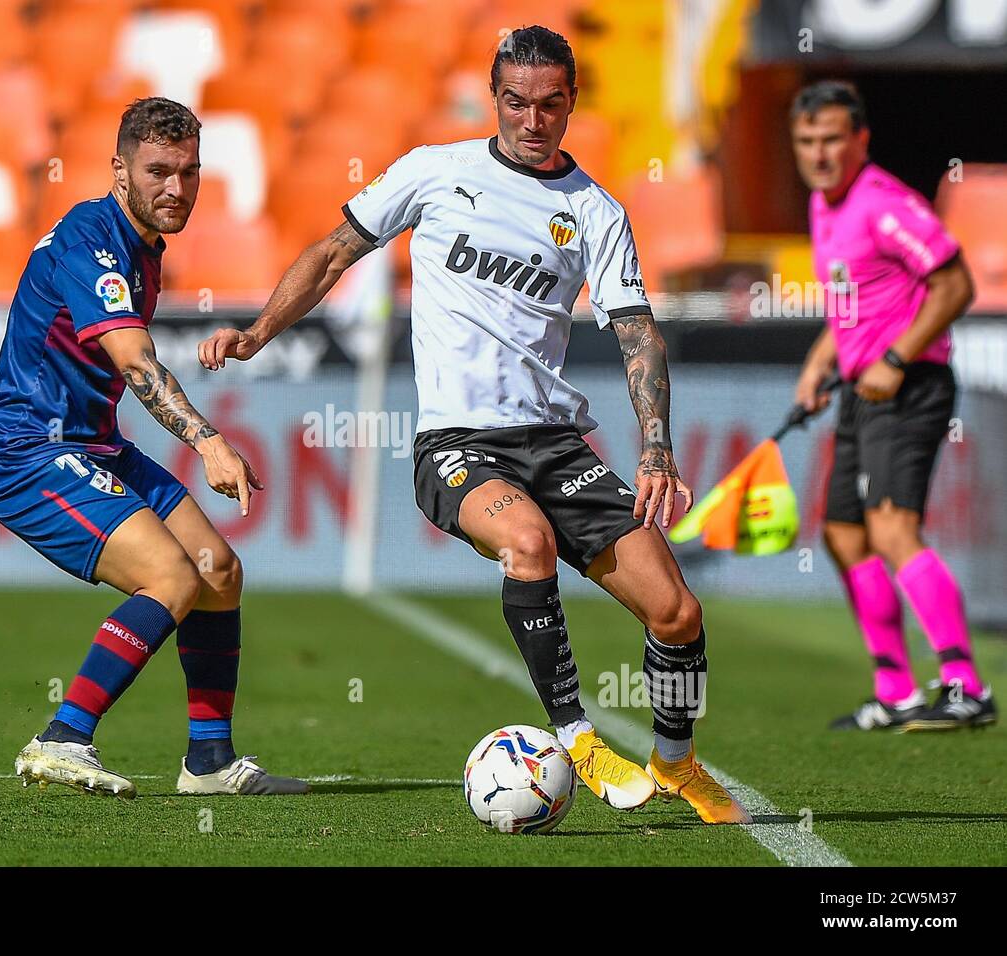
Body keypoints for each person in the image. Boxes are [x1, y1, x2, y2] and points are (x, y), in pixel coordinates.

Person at [198, 26, 751, 823]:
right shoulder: (434, 172)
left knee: (678, 613)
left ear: (571, 104)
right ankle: (578, 737)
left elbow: (635, 331)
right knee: (526, 546)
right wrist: (256, 333)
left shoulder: (594, 210)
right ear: (494, 98)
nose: (534, 121)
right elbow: (331, 254)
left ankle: (677, 760)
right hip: (457, 444)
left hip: (557, 444)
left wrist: (657, 446)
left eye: (551, 105)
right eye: (518, 103)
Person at [0, 97, 307, 797]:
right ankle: (62, 737)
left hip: (84, 443)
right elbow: (137, 365)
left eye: (189, 172)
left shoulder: (140, 247)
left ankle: (209, 762)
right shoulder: (94, 239)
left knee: (216, 568)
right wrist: (208, 440)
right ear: (118, 171)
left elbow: (40, 339)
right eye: (159, 171)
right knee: (171, 578)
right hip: (34, 453)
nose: (176, 188)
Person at [790, 80, 994, 731]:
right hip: (863, 389)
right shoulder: (826, 204)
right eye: (805, 142)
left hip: (911, 387)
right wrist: (823, 361)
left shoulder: (884, 204)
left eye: (830, 141)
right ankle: (896, 691)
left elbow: (955, 284)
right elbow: (858, 303)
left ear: (861, 140)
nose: (818, 154)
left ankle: (966, 686)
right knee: (845, 535)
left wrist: (898, 357)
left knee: (890, 528)